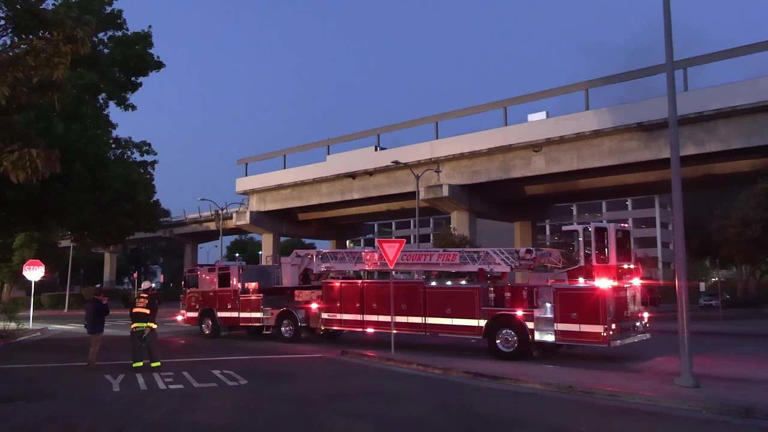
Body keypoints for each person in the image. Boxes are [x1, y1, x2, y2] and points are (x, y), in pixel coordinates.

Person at [130, 281, 161, 369]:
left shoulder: (135, 300)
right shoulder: (151, 300)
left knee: (137, 349)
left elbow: (131, 314)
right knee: (153, 349)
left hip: (135, 329)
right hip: (148, 330)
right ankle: (155, 366)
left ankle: (137, 366)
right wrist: (149, 327)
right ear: (150, 289)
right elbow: (153, 315)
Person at [84, 287, 110, 367]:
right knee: (95, 345)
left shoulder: (89, 303)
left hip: (90, 325)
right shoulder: (99, 304)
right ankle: (91, 362)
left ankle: (90, 361)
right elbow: (106, 312)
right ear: (100, 295)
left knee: (93, 345)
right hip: (97, 326)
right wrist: (105, 303)